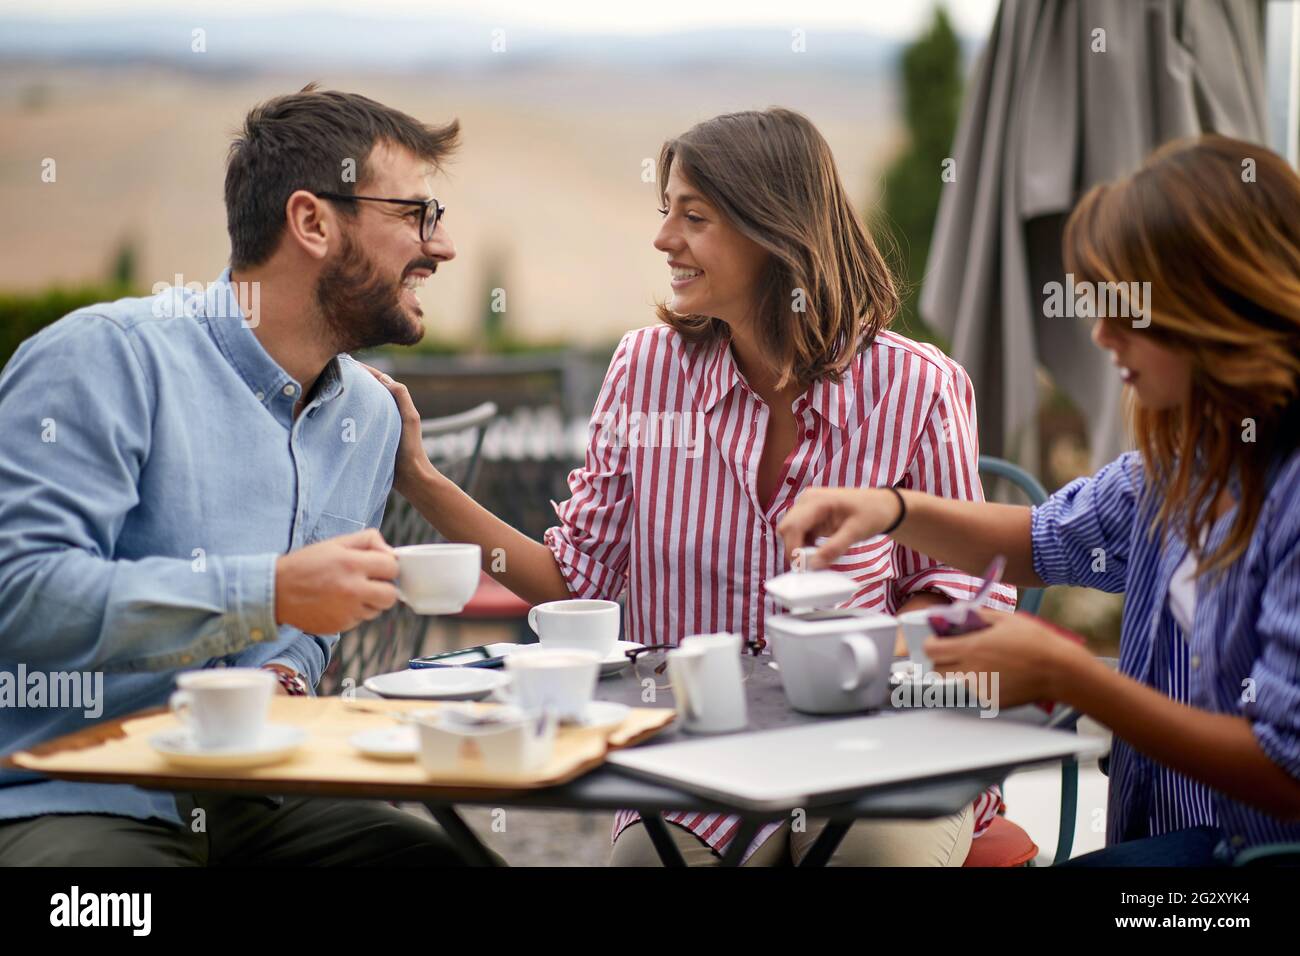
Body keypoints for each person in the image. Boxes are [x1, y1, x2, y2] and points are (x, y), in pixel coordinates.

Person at [367, 108, 1015, 866]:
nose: (664, 237)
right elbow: (571, 581)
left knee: (867, 857)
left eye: (694, 216)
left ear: (775, 231)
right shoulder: (646, 371)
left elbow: (957, 594)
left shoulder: (917, 386)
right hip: (691, 767)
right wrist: (420, 479)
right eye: (665, 210)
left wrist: (864, 662)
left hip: (871, 759)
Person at [778, 134, 1300, 866]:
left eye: (1130, 312)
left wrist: (1070, 677)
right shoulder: (1189, 462)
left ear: (1219, 307)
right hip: (1186, 846)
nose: (1101, 335)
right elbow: (1041, 540)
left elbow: (1287, 773)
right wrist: (893, 509)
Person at [0, 85, 476, 866]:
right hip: (69, 794)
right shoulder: (105, 359)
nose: (444, 246)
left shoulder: (370, 415)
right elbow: (20, 594)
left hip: (256, 796)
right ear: (312, 221)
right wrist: (267, 591)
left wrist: (287, 668)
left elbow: (304, 628)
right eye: (417, 214)